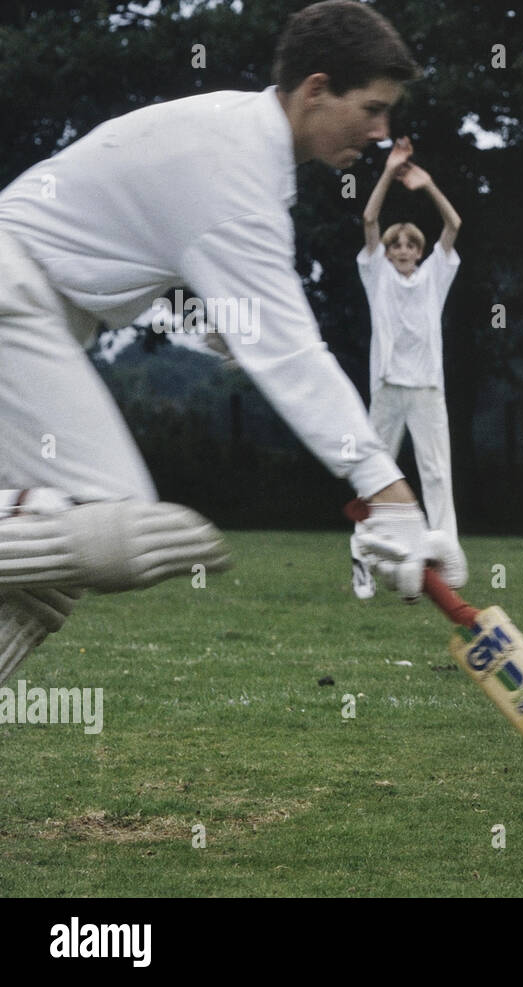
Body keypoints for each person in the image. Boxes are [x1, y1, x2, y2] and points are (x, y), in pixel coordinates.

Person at [0, 0, 465, 688]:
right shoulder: (237, 169)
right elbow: (289, 352)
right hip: (15, 298)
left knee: (49, 572)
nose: (380, 131)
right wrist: (389, 491)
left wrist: (202, 309)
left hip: (31, 304)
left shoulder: (239, 141)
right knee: (114, 529)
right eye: (371, 108)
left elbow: (130, 236)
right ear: (316, 88)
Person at [348, 138, 463, 599]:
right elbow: (370, 219)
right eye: (395, 245)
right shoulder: (376, 274)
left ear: (418, 251)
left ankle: (446, 560)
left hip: (427, 389)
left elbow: (454, 223)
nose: (400, 250)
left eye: (408, 245)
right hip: (388, 388)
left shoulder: (435, 274)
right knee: (375, 476)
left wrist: (428, 184)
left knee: (437, 475)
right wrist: (388, 170)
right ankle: (363, 558)